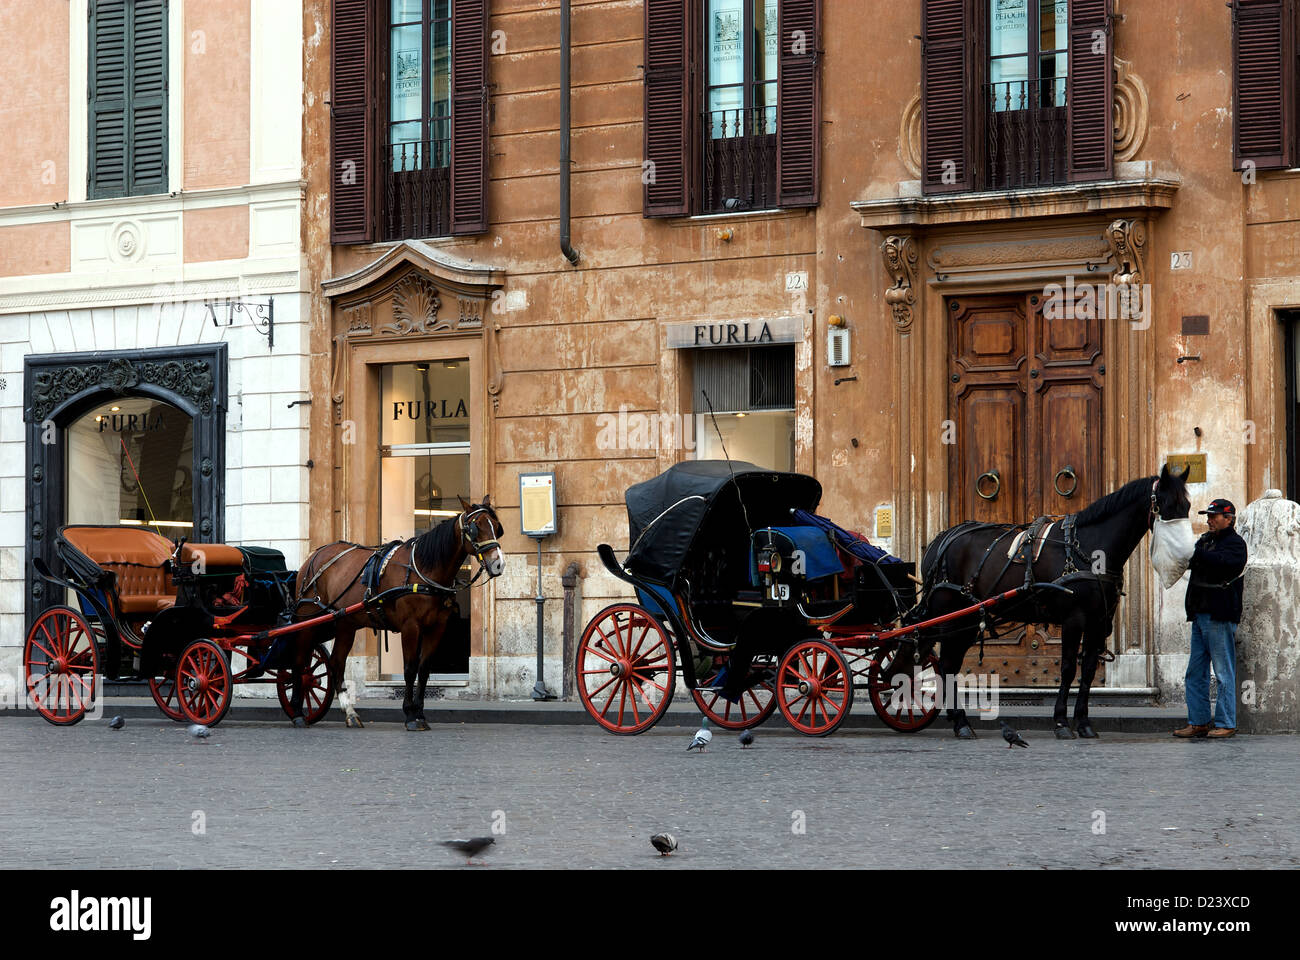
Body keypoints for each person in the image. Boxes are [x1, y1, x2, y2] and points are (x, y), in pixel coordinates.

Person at [1173, 499, 1248, 739]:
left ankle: (1227, 722)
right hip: (1199, 614)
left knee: (1223, 672)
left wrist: (1198, 554)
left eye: (1215, 516)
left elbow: (1222, 564)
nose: (1210, 520)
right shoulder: (1205, 542)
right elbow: (1191, 561)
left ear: (1229, 518)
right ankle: (1199, 722)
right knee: (1195, 672)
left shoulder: (1236, 544)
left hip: (1219, 615)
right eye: (1209, 516)